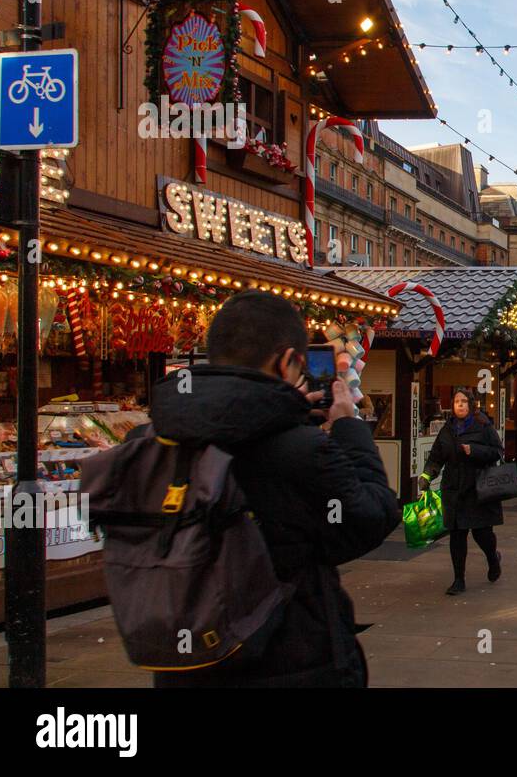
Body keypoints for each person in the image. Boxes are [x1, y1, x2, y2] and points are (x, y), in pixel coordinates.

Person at [145, 291, 399, 687]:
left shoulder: (159, 440)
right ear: (288, 362)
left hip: (189, 662)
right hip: (292, 659)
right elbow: (372, 515)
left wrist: (281, 410)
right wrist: (349, 427)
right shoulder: (300, 449)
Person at [421, 388, 506, 596]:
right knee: (457, 536)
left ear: (471, 404)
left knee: (482, 534)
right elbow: (436, 456)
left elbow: (497, 452)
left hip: (478, 489)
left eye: (463, 401)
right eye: (456, 401)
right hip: (453, 490)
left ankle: (493, 559)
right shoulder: (448, 429)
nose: (459, 404)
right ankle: (458, 579)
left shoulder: (483, 425)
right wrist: (426, 476)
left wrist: (474, 451)